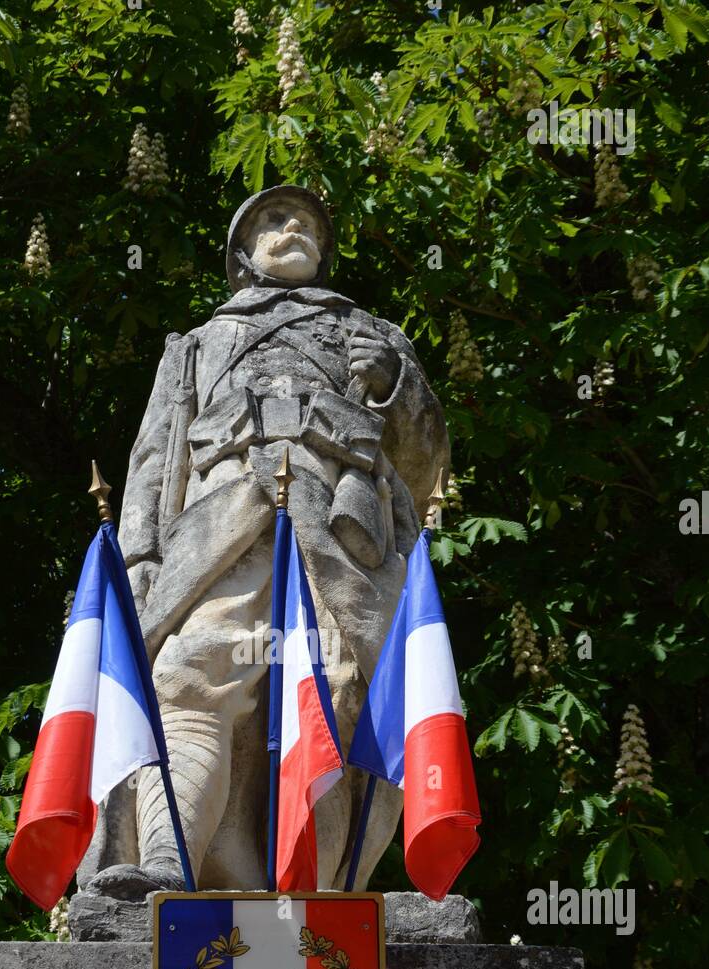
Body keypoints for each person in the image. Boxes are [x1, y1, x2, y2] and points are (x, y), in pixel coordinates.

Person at [80, 184, 449, 895]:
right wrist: (140, 563)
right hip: (220, 531)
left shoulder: (372, 335)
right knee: (184, 680)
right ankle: (169, 860)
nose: (293, 230)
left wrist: (396, 385)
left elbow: (423, 467)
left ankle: (327, 890)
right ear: (242, 256)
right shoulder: (195, 346)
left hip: (343, 540)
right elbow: (155, 463)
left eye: (307, 222)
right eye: (275, 222)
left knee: (345, 698)